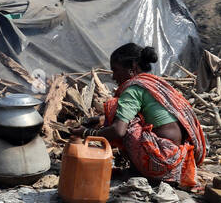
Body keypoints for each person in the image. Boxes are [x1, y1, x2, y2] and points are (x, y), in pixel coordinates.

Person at [83, 43, 207, 188]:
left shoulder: (134, 88)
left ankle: (142, 172)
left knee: (114, 107)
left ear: (133, 67)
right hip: (179, 160)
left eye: (116, 70)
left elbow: (119, 130)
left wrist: (87, 133)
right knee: (125, 118)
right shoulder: (154, 83)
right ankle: (148, 171)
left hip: (160, 159)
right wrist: (100, 120)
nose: (114, 77)